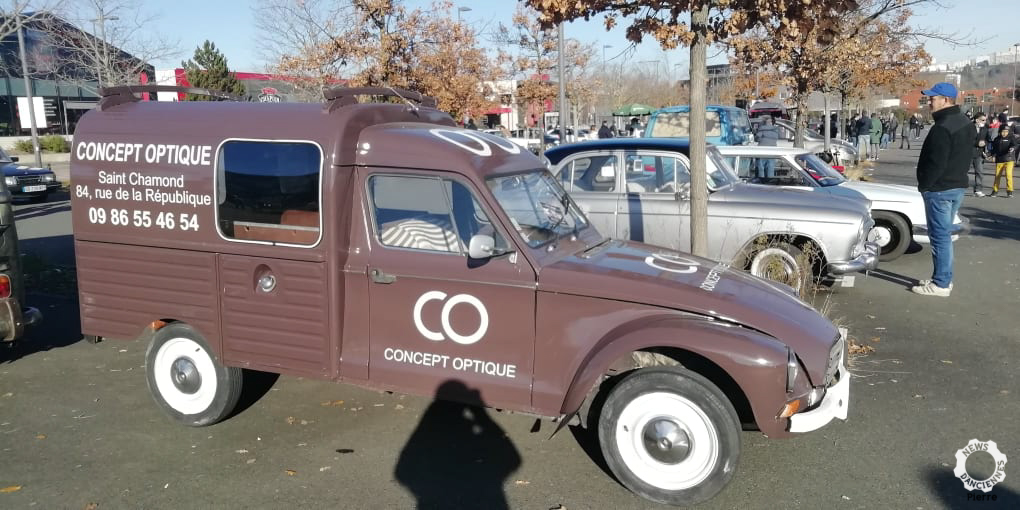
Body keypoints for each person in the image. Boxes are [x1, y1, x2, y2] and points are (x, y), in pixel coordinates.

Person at [913, 82, 972, 297]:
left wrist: (926, 186)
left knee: (939, 238)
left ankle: (941, 284)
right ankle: (943, 277)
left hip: (940, 189)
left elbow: (936, 162)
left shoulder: (943, 126)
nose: (929, 101)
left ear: (945, 100)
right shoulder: (964, 122)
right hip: (955, 186)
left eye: (932, 98)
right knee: (943, 236)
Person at [989, 126, 1015, 198]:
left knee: (1008, 174)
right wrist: (993, 156)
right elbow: (994, 150)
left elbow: (1014, 145)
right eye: (1003, 131)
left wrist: (1012, 148)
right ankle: (995, 190)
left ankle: (1010, 191)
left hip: (1009, 159)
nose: (1004, 133)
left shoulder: (1011, 138)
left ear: (1008, 132)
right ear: (1000, 132)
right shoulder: (996, 139)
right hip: (999, 159)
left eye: (1006, 131)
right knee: (997, 176)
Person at [971, 113, 989, 197]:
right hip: (968, 152)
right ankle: (959, 188)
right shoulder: (969, 127)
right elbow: (965, 140)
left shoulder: (985, 128)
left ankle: (978, 190)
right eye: (983, 120)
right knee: (962, 171)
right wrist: (977, 143)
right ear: (976, 120)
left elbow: (988, 139)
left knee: (979, 172)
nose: (984, 122)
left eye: (985, 120)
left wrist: (985, 143)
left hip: (979, 153)